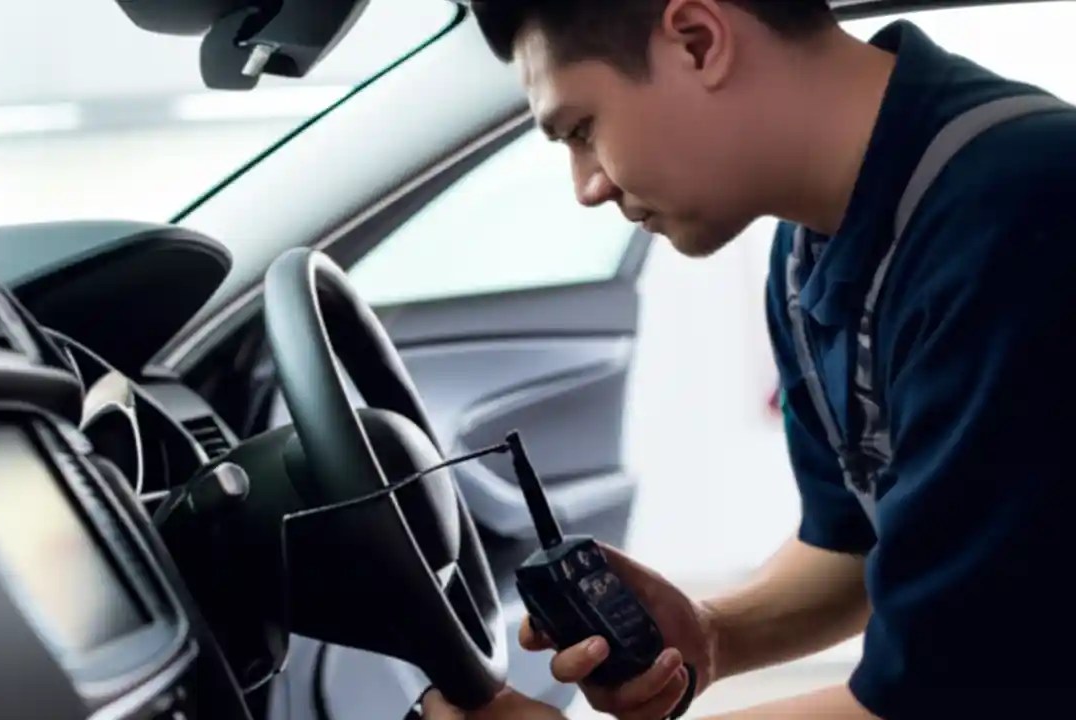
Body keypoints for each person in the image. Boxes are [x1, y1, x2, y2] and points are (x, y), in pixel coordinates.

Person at [424, 0, 1076, 718]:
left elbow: (944, 697)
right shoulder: (808, 257)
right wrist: (712, 636)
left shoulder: (1020, 214)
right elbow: (858, 545)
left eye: (581, 129)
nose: (587, 186)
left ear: (699, 41)